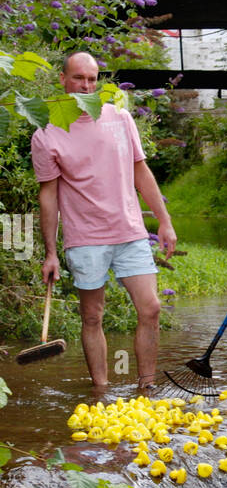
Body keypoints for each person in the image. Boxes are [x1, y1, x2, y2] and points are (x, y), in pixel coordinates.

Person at [32, 52, 176, 392]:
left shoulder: (119, 118)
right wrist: (50, 252)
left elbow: (141, 172)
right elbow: (48, 196)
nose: (86, 85)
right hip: (86, 238)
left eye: (92, 79)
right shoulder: (47, 133)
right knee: (93, 316)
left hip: (130, 231)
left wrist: (164, 221)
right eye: (79, 78)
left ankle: (147, 388)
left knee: (151, 308)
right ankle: (101, 391)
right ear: (63, 80)